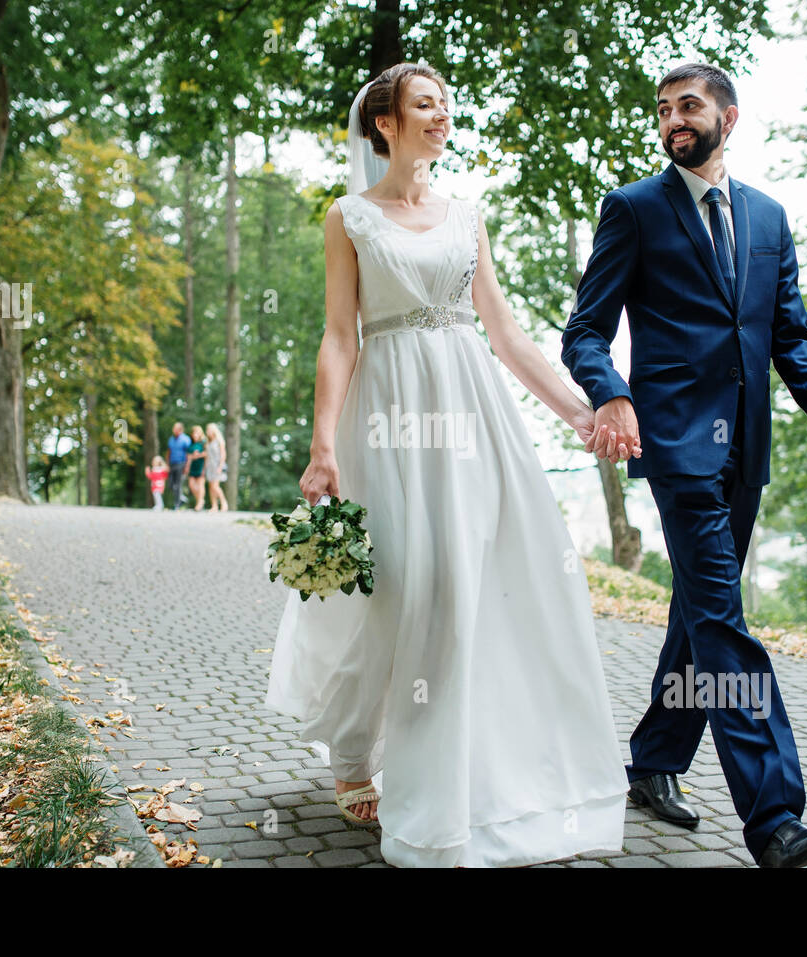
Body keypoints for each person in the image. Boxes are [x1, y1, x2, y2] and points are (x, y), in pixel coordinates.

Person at [265, 63, 628, 868]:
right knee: (398, 589)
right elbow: (339, 336)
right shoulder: (349, 217)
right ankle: (354, 752)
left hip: (471, 418)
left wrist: (581, 411)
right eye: (424, 104)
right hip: (388, 420)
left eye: (446, 105)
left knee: (464, 587)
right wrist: (324, 445)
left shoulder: (468, 216)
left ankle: (447, 785)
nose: (441, 116)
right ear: (384, 123)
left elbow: (505, 333)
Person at [561, 62, 807, 868]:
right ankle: (774, 819)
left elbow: (792, 335)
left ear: (728, 115)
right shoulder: (633, 210)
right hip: (674, 445)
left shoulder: (767, 217)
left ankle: (655, 759)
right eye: (663, 110)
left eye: (688, 106)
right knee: (725, 624)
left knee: (697, 616)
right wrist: (613, 396)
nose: (673, 120)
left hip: (749, 451)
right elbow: (584, 332)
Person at [164, 422, 191, 510]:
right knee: (171, 485)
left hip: (181, 463)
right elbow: (168, 452)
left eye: (175, 428)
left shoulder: (186, 439)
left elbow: (188, 453)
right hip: (172, 463)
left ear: (180, 430)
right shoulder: (171, 439)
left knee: (178, 484)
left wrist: (187, 466)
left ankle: (177, 504)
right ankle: (181, 498)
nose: (174, 430)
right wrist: (167, 464)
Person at [204, 422, 227, 512]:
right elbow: (207, 455)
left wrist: (220, 466)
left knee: (215, 486)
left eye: (209, 430)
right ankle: (214, 506)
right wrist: (205, 466)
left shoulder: (219, 441)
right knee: (211, 486)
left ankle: (224, 502)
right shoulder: (208, 441)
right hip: (210, 466)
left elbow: (223, 454)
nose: (207, 432)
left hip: (217, 465)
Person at [185, 425, 207, 511]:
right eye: (194, 433)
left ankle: (199, 503)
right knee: (192, 485)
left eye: (197, 433)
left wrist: (197, 455)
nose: (195, 435)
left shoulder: (204, 443)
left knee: (200, 485)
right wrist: (187, 466)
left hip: (201, 465)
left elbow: (207, 454)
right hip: (192, 466)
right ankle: (200, 500)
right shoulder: (191, 444)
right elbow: (188, 456)